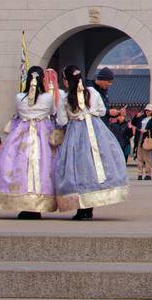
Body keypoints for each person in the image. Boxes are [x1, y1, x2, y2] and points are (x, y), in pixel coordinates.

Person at [53, 65, 129, 218]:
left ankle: (82, 207)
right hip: (96, 130)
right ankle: (91, 204)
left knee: (78, 167)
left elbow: (61, 120)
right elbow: (101, 111)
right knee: (96, 165)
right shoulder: (92, 92)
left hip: (75, 132)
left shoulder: (66, 98)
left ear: (67, 81)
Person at [0, 65, 58, 218]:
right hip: (42, 134)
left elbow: (18, 113)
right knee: (43, 167)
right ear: (42, 80)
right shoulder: (47, 97)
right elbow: (52, 112)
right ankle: (38, 203)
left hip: (22, 134)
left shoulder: (19, 97)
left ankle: (23, 203)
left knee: (21, 167)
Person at [133, 104, 152, 180]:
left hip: (147, 139)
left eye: (149, 110)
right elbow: (134, 123)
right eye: (146, 110)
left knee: (147, 158)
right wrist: (136, 117)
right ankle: (139, 173)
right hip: (139, 137)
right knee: (139, 157)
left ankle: (148, 174)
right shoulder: (141, 118)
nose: (147, 111)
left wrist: (146, 131)